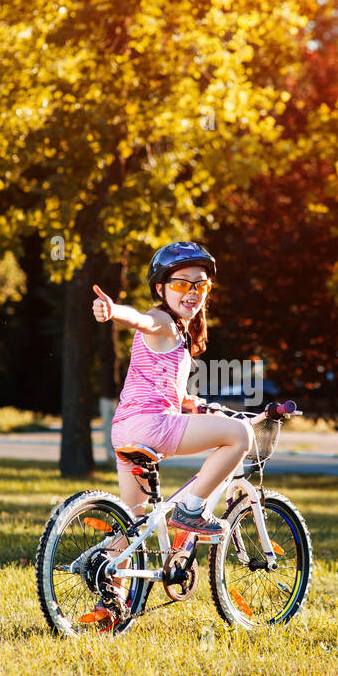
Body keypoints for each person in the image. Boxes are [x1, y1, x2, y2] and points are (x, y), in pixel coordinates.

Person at [82, 243, 252, 629]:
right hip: (153, 426)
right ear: (160, 289)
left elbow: (163, 388)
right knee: (239, 435)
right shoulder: (160, 321)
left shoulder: (178, 332)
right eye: (181, 284)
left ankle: (111, 596)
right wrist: (114, 312)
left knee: (134, 521)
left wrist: (193, 403)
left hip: (127, 429)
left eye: (201, 286)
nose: (192, 292)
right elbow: (138, 320)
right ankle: (191, 509)